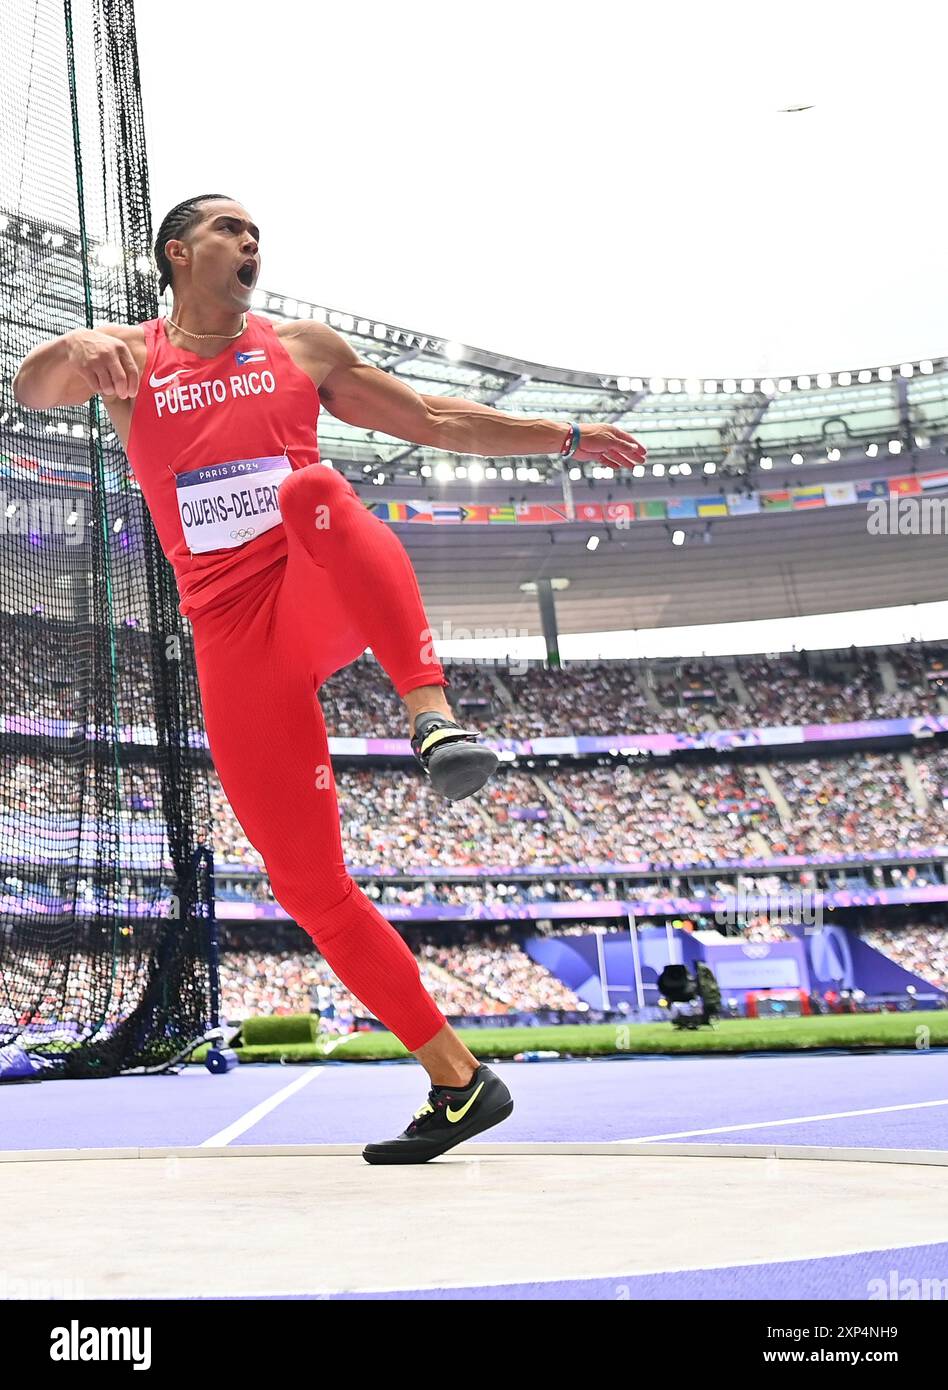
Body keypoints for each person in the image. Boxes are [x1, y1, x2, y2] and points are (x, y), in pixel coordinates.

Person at [13, 194, 646, 1161]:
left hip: (314, 581)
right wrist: (77, 341)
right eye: (231, 228)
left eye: (257, 230)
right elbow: (29, 385)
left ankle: (430, 716)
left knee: (313, 486)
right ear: (179, 253)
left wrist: (557, 435)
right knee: (308, 885)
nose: (251, 240)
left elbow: (435, 417)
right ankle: (459, 1082)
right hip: (229, 635)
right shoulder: (134, 360)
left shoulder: (301, 347)